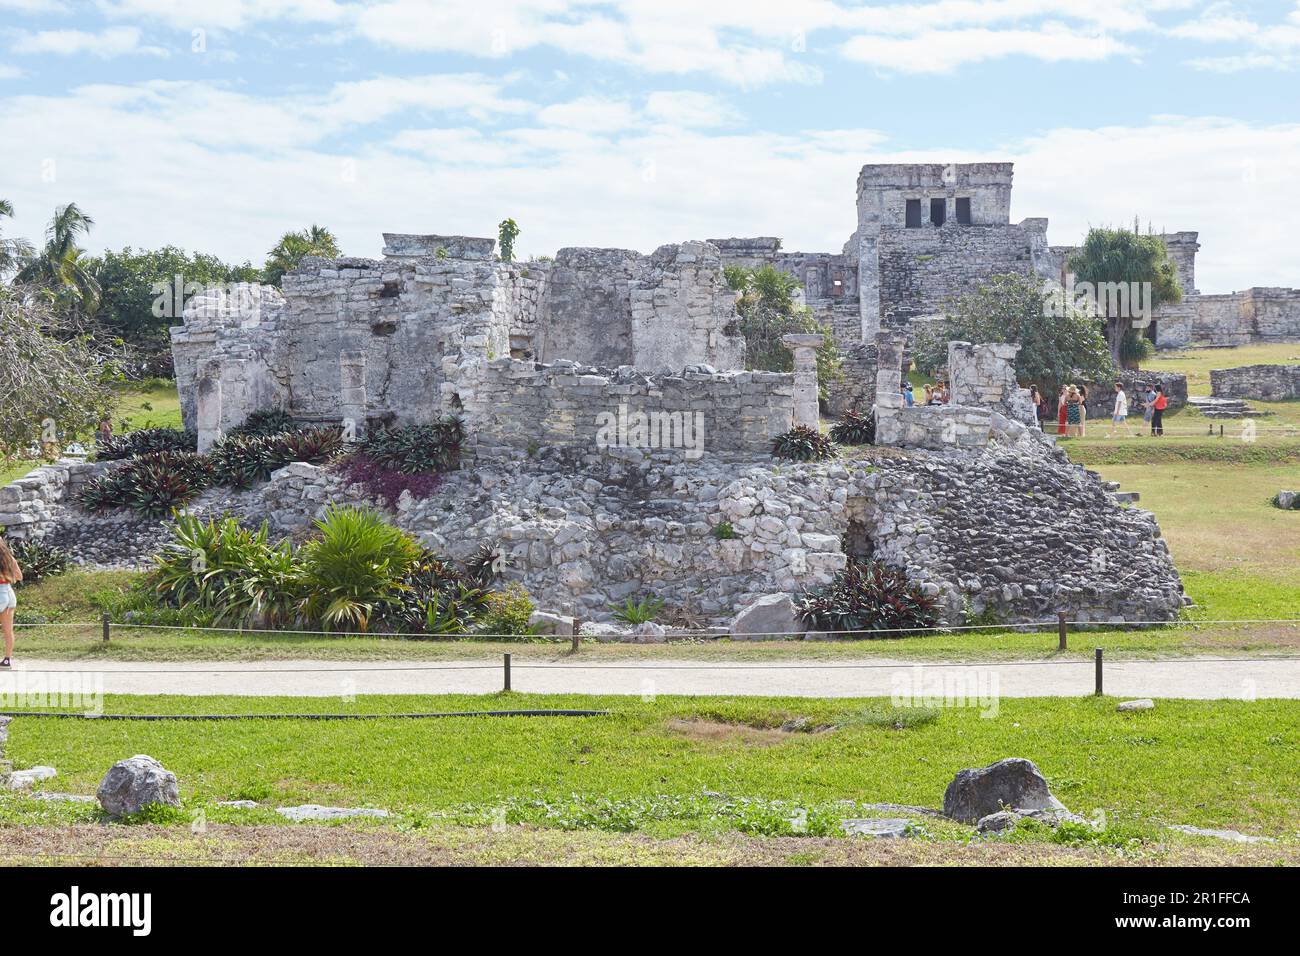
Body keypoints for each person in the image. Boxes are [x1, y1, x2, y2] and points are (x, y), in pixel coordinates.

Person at [0, 535, 22, 669]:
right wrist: (8, 576)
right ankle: (7, 660)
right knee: (8, 631)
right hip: (9, 592)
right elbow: (19, 576)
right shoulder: (10, 559)